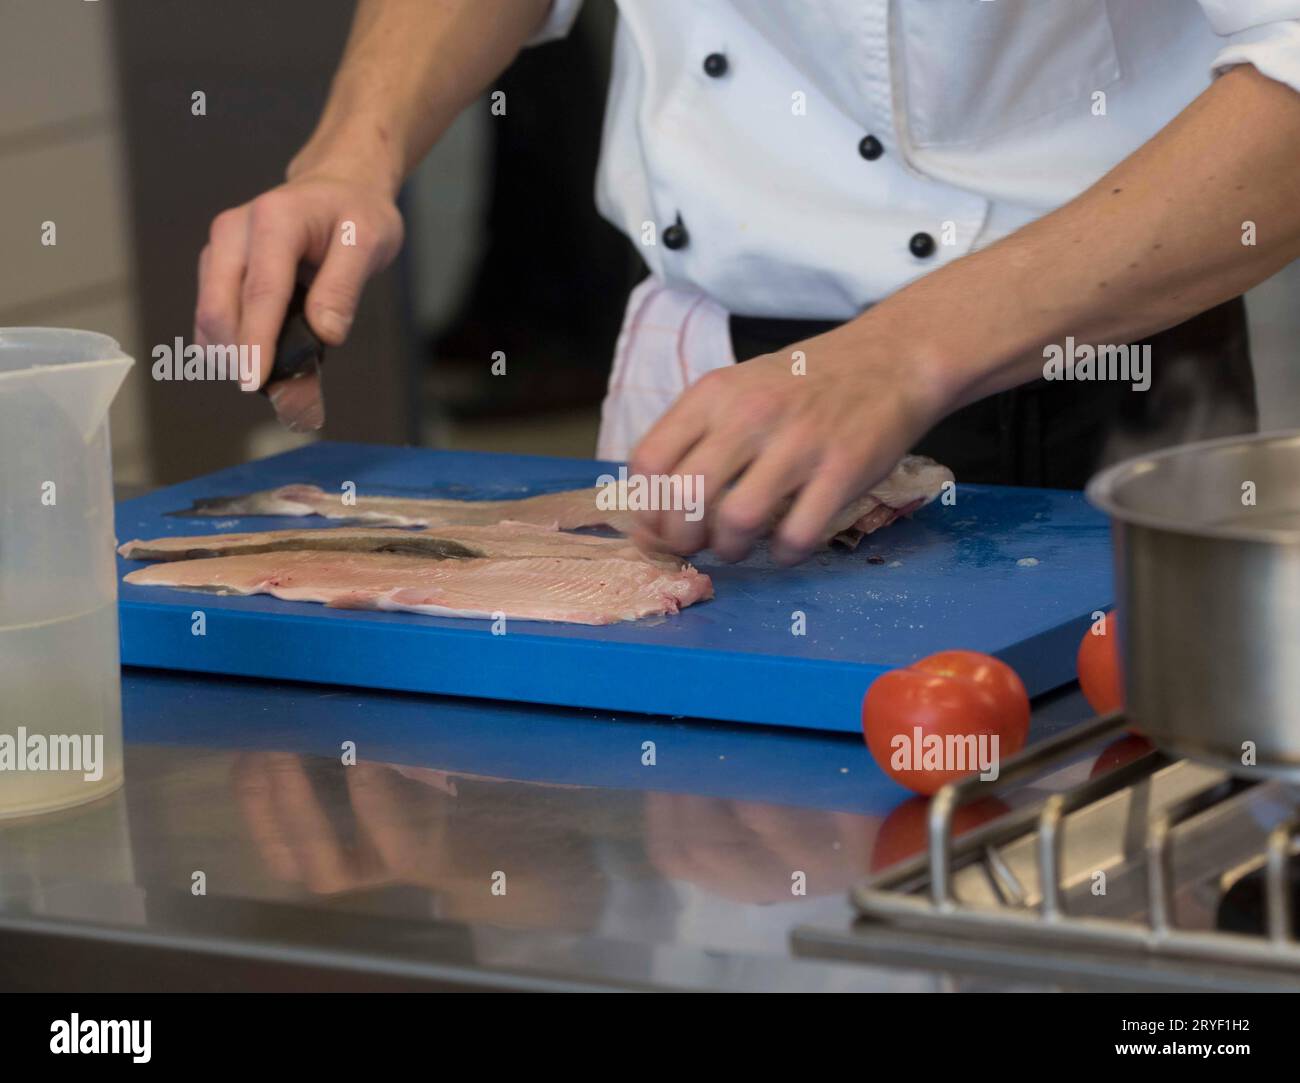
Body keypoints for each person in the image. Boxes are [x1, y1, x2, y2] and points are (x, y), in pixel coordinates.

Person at [194, 0, 1300, 565]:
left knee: (1040, 866)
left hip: (1070, 369)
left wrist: (897, 353)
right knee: (698, 870)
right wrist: (353, 154)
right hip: (696, 378)